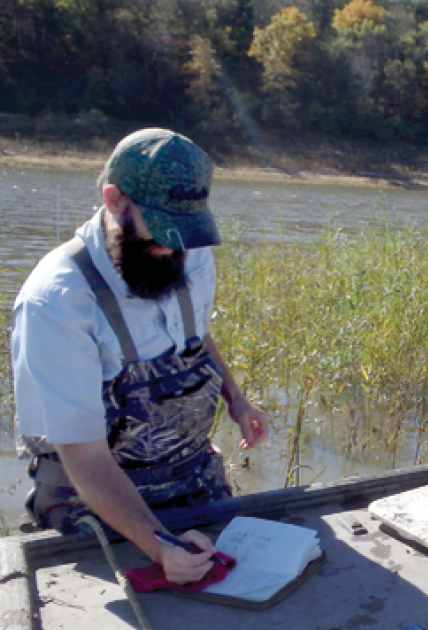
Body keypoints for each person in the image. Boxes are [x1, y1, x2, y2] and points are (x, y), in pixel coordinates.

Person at [12, 128, 270, 585]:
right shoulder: (57, 303)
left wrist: (237, 397)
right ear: (114, 200)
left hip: (193, 486)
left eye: (184, 233)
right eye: (160, 233)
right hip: (92, 510)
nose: (173, 248)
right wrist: (160, 545)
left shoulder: (186, 253)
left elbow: (195, 335)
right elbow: (85, 458)